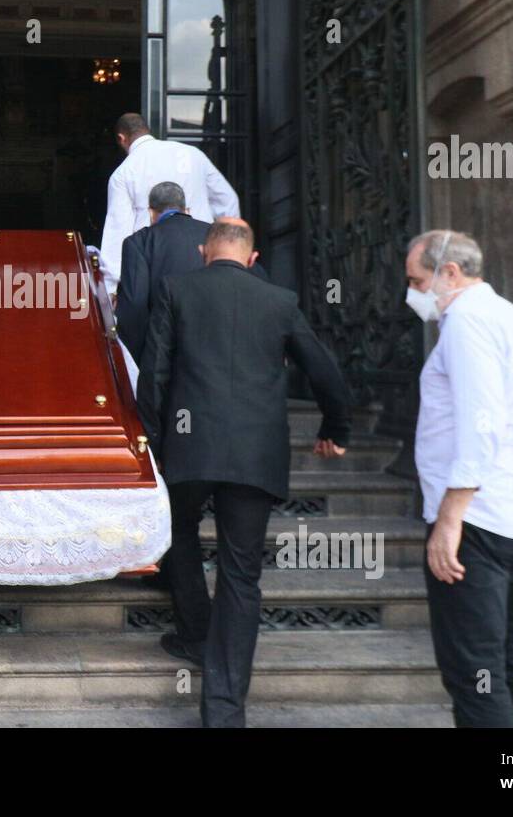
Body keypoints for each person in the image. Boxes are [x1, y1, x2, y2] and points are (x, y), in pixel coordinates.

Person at [136, 219, 352, 728]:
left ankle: (194, 634)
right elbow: (326, 372)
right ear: (252, 258)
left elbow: (155, 374)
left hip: (190, 449)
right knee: (241, 575)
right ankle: (225, 710)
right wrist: (335, 429)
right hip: (255, 455)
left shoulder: (177, 289)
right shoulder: (279, 301)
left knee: (180, 534)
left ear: (202, 252)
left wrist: (155, 443)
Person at [405, 229, 513, 728]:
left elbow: (482, 422)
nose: (413, 293)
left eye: (417, 280)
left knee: (475, 671)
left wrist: (451, 518)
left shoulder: (468, 322)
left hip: (479, 520)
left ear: (449, 272)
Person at [116, 186, 268, 363]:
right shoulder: (219, 236)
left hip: (172, 358)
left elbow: (134, 308)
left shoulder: (139, 242)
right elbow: (259, 282)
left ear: (151, 212)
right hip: (231, 351)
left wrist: (148, 358)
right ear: (186, 210)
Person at [99, 112, 241, 296]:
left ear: (121, 138)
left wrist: (111, 289)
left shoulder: (124, 172)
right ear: (147, 130)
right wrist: (227, 251)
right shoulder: (193, 154)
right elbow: (227, 200)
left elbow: (118, 231)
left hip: (154, 261)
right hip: (203, 253)